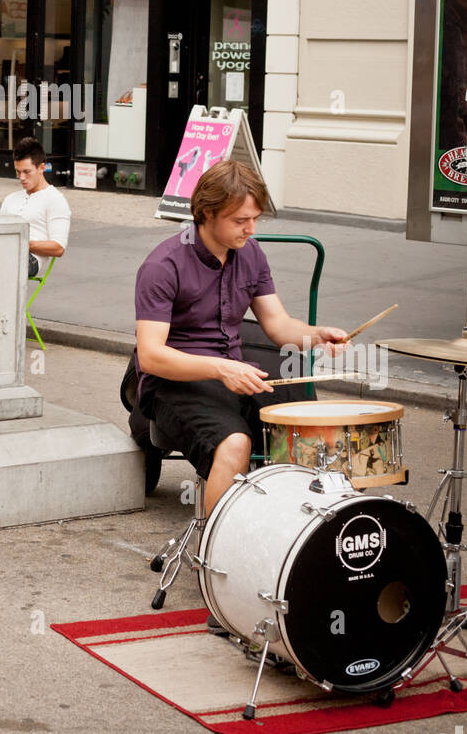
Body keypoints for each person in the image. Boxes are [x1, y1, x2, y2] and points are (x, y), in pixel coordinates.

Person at [133, 160, 348, 517]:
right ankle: (216, 553)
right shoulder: (162, 266)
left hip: (232, 373)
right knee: (234, 443)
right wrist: (220, 369)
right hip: (173, 382)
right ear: (206, 213)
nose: (250, 229)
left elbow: (278, 325)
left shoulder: (251, 253)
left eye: (255, 218)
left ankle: (298, 531)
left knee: (310, 429)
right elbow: (151, 356)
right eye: (239, 220)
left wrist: (317, 336)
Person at [0, 137, 71, 277]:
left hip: (29, 257)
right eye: (18, 172)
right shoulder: (10, 198)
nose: (21, 177)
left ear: (41, 168)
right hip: (2, 251)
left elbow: (58, 247)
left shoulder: (55, 199)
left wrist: (20, 242)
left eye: (27, 172)